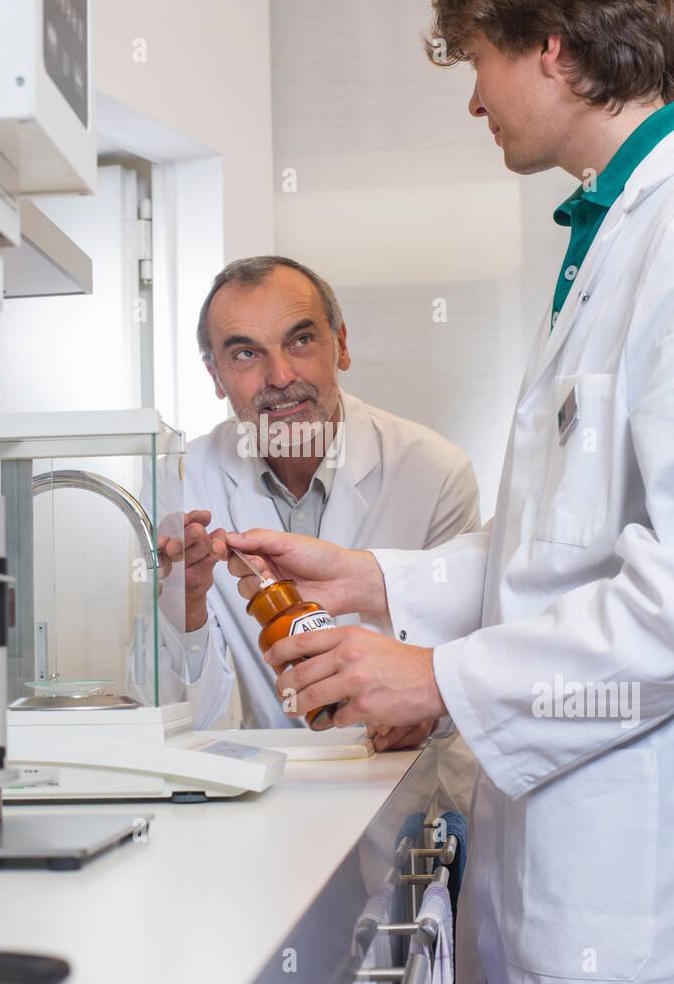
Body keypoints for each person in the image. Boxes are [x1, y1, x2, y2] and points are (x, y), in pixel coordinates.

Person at [219, 0, 674, 984]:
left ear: (549, 46)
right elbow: (572, 541)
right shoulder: (617, 233)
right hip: (569, 849)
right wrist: (380, 578)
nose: (470, 94)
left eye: (480, 57)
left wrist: (437, 673)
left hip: (637, 882)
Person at [152, 256, 480, 782]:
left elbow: (466, 672)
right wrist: (186, 604)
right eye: (245, 354)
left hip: (396, 788)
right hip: (260, 791)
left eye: (300, 341)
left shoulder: (435, 472)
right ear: (215, 376)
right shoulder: (182, 483)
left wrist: (425, 716)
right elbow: (189, 718)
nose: (280, 377)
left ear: (341, 344)